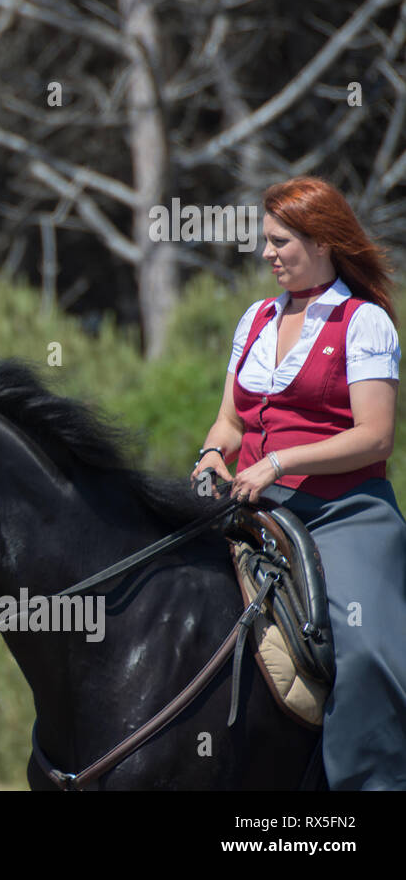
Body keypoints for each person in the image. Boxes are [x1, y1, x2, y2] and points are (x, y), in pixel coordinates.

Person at [192, 175, 406, 789]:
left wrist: (281, 462)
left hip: (344, 512)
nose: (267, 255)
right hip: (249, 504)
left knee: (366, 652)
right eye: (266, 241)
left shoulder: (365, 324)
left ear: (323, 243)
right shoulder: (255, 317)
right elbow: (230, 420)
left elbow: (375, 436)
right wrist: (212, 453)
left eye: (280, 241)